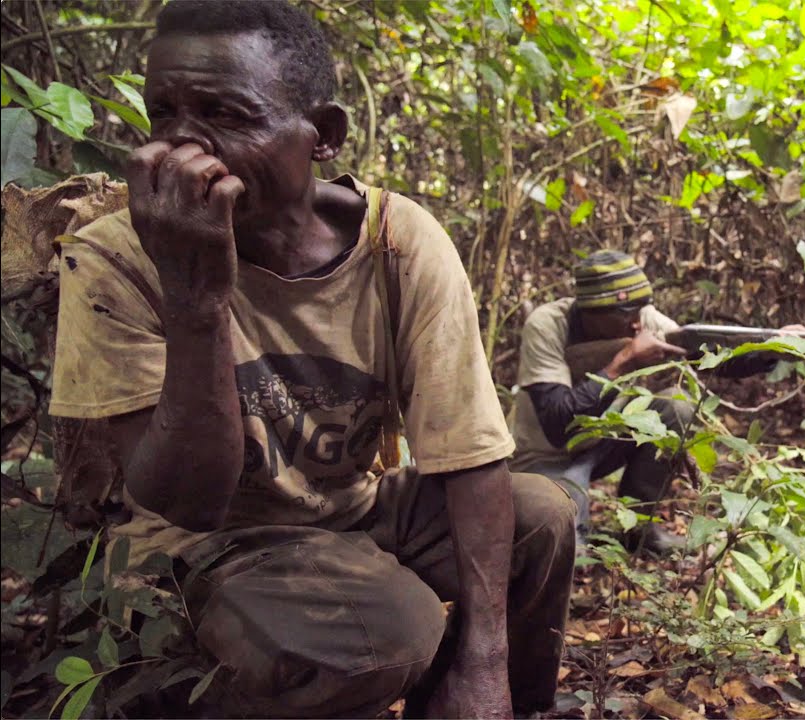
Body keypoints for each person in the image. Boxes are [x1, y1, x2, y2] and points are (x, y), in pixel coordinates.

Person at [47, 2, 574, 717]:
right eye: (162, 114)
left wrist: (484, 665)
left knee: (541, 516)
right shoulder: (115, 258)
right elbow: (187, 503)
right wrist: (196, 298)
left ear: (322, 136)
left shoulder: (399, 242)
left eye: (224, 114)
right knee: (389, 632)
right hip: (200, 549)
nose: (176, 150)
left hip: (349, 511)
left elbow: (470, 451)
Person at [508, 251, 790, 553]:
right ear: (592, 311)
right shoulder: (547, 325)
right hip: (545, 456)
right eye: (625, 312)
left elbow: (708, 358)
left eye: (639, 310)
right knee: (568, 553)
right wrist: (623, 363)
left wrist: (770, 349)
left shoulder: (642, 318)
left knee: (675, 406)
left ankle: (642, 529)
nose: (636, 324)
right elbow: (558, 424)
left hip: (604, 440)